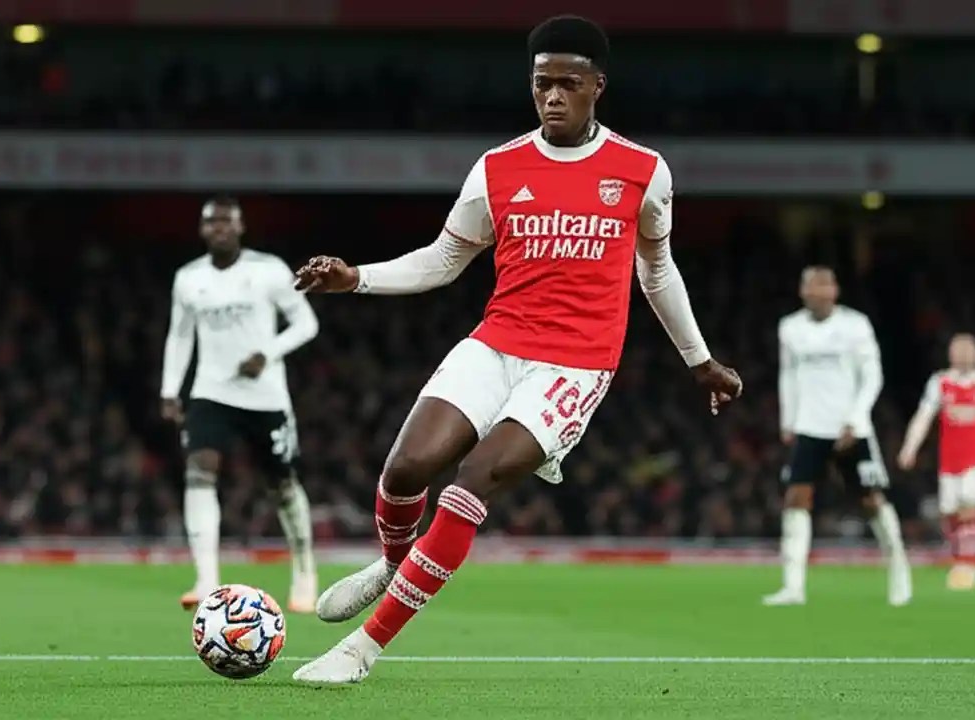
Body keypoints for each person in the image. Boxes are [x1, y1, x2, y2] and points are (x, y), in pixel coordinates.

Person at [289, 15, 742, 684]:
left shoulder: (643, 171)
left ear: (597, 87)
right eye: (541, 85)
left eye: (567, 84)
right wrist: (357, 278)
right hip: (498, 343)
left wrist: (699, 359)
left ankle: (362, 649)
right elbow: (444, 260)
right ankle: (391, 564)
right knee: (407, 468)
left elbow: (657, 269)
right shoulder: (499, 168)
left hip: (576, 363)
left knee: (475, 479)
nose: (552, 97)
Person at [160, 196, 320, 614]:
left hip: (265, 395)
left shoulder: (268, 270)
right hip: (210, 391)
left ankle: (304, 570)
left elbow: (306, 323)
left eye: (227, 222)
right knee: (199, 470)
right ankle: (207, 578)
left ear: (241, 226)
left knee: (282, 484)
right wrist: (169, 390)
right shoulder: (188, 278)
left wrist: (267, 353)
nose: (220, 229)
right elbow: (180, 336)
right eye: (212, 222)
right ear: (202, 229)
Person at [766, 266, 912, 607]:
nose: (817, 292)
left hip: (851, 427)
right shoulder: (790, 328)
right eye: (810, 286)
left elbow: (872, 375)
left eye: (823, 285)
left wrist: (857, 417)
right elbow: (788, 374)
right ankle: (793, 587)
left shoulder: (855, 325)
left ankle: (899, 571)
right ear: (802, 292)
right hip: (809, 426)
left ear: (835, 290)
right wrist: (789, 420)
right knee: (796, 499)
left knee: (871, 500)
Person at [897, 333, 975, 591]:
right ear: (950, 353)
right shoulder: (940, 382)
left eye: (968, 350)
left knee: (969, 504)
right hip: (950, 460)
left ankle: (968, 564)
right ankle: (958, 560)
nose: (962, 354)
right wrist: (909, 448)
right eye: (957, 349)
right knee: (950, 511)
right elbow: (924, 415)